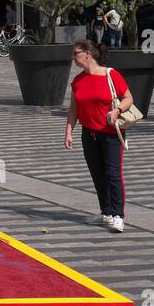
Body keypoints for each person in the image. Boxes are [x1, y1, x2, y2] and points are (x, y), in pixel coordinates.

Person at [65, 40, 133, 233]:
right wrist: (68, 132)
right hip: (89, 134)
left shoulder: (111, 75)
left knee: (113, 174)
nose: (73, 57)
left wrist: (117, 110)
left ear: (88, 54)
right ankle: (106, 212)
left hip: (110, 134)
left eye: (75, 53)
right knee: (97, 174)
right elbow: (73, 109)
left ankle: (118, 215)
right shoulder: (78, 80)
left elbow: (129, 98)